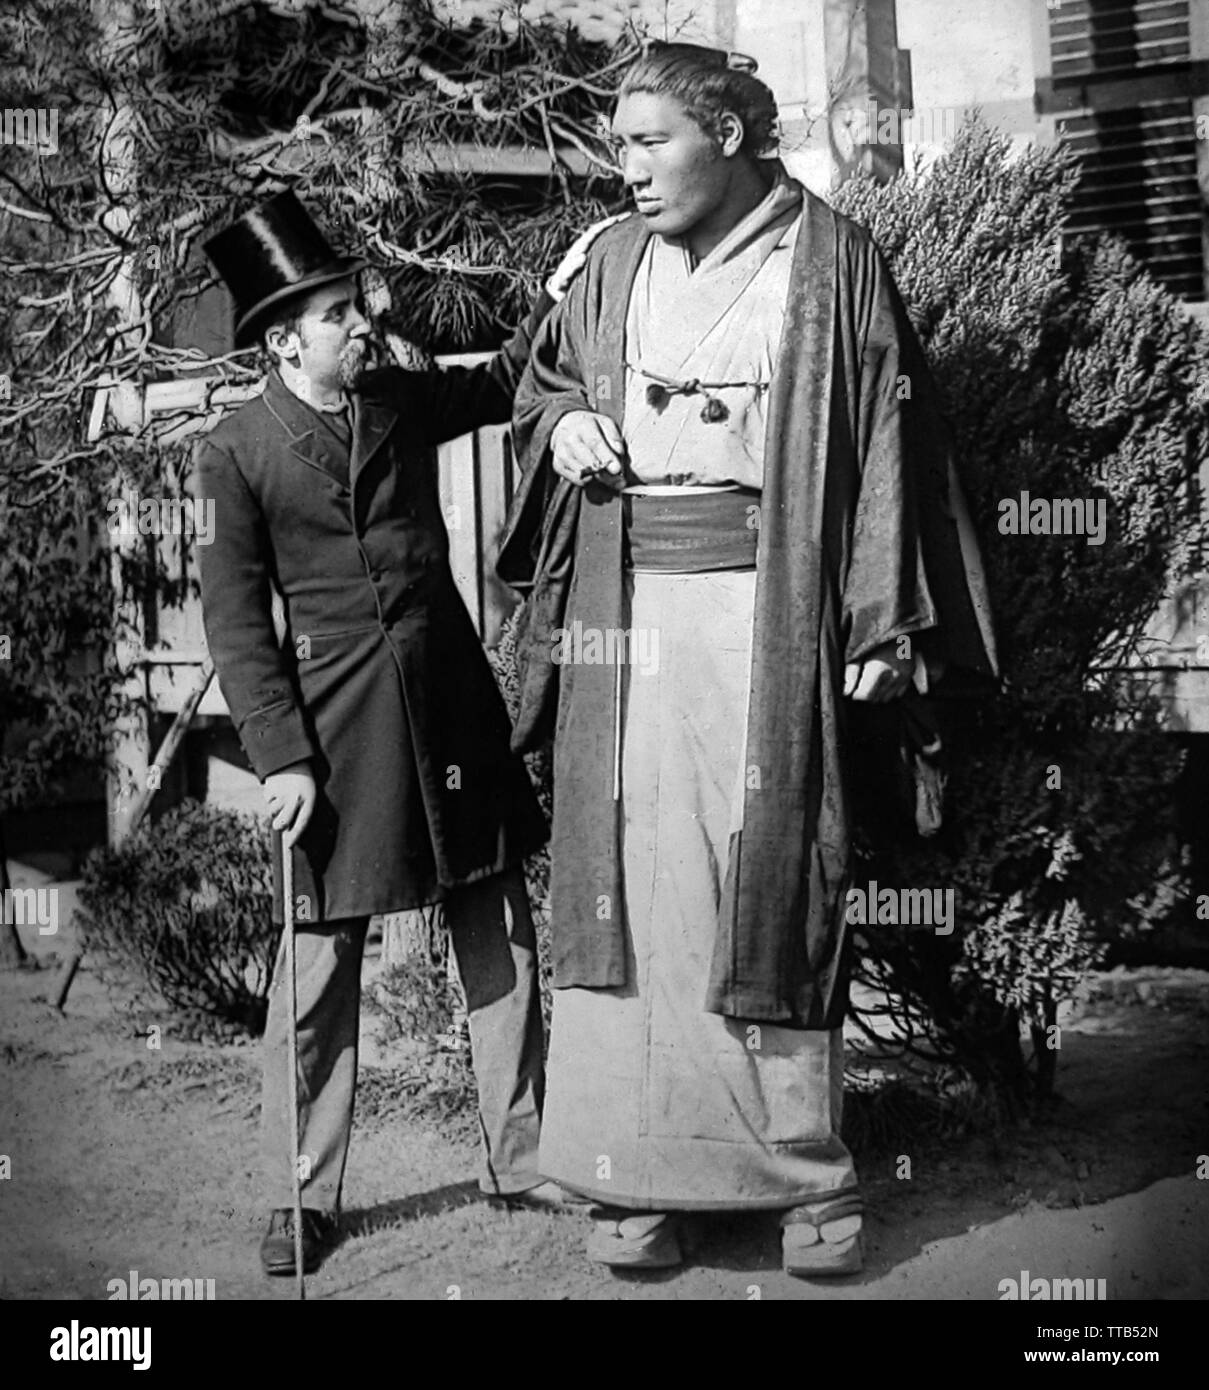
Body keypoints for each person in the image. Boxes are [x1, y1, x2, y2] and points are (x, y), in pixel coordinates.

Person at [500, 42, 998, 1276]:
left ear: (725, 137)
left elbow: (893, 444)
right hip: (623, 614)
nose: (627, 169)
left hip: (766, 617)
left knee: (767, 873)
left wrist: (883, 620)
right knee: (627, 877)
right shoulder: (610, 263)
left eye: (649, 142)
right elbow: (540, 384)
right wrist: (563, 426)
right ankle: (629, 1173)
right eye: (618, 145)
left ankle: (802, 1182)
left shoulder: (831, 262)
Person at [196, 190, 597, 1276]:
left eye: (354, 306)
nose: (361, 323)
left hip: (451, 704)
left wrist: (556, 296)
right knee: (317, 969)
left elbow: (502, 380)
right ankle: (299, 1196)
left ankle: (521, 1158)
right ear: (285, 341)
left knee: (498, 923)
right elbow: (235, 623)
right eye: (337, 314)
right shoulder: (234, 452)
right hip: (334, 739)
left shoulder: (396, 398)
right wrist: (281, 760)